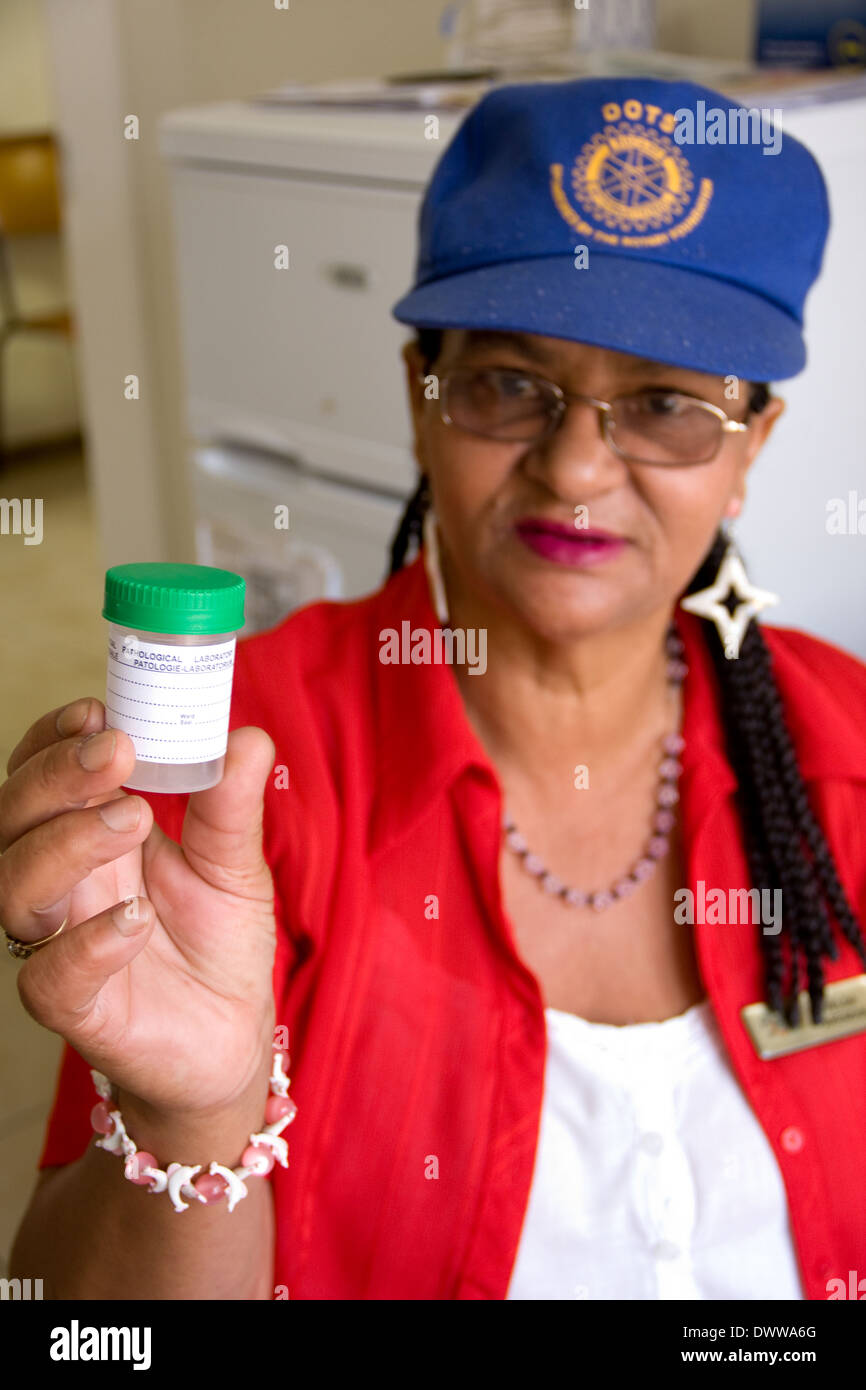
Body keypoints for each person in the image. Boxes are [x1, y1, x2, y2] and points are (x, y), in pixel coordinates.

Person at [5, 77, 866, 1302]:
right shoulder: (242, 775)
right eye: (509, 384)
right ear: (423, 395)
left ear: (749, 451)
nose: (573, 464)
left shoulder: (846, 749)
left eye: (666, 403)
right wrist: (188, 1121)